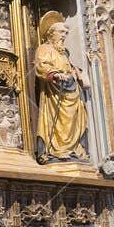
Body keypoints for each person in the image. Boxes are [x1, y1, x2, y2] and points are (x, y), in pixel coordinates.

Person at [34, 11, 90, 163]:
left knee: (76, 119)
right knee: (58, 120)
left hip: (71, 91)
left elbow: (69, 66)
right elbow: (41, 66)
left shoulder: (65, 52)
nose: (64, 35)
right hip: (55, 92)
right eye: (61, 32)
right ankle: (57, 150)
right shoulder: (44, 49)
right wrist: (55, 74)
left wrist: (76, 73)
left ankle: (74, 150)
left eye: (66, 32)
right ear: (51, 33)